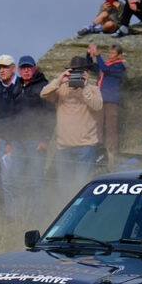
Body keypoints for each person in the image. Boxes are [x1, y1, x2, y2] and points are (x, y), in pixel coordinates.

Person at [0, 55, 50, 225]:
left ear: (34, 68)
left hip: (35, 140)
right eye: (23, 67)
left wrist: (45, 138)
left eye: (29, 67)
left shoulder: (43, 86)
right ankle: (17, 217)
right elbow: (12, 116)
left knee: (35, 179)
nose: (26, 70)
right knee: (15, 179)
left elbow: (50, 114)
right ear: (18, 70)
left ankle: (37, 217)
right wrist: (9, 142)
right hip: (17, 141)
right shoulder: (16, 87)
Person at [41, 53, 104, 195]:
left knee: (82, 187)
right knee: (64, 187)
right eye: (74, 71)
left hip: (85, 146)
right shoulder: (61, 89)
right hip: (63, 147)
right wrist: (60, 79)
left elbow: (97, 106)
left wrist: (85, 87)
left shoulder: (94, 90)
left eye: (80, 71)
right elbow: (44, 94)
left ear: (86, 73)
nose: (77, 75)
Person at [88, 41, 125, 161]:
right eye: (109, 53)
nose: (110, 55)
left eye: (113, 53)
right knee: (98, 125)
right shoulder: (106, 64)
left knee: (111, 127)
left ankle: (113, 153)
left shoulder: (119, 66)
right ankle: (97, 150)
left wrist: (98, 55)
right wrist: (89, 54)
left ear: (119, 55)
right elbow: (90, 66)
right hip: (100, 100)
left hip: (111, 101)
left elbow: (105, 69)